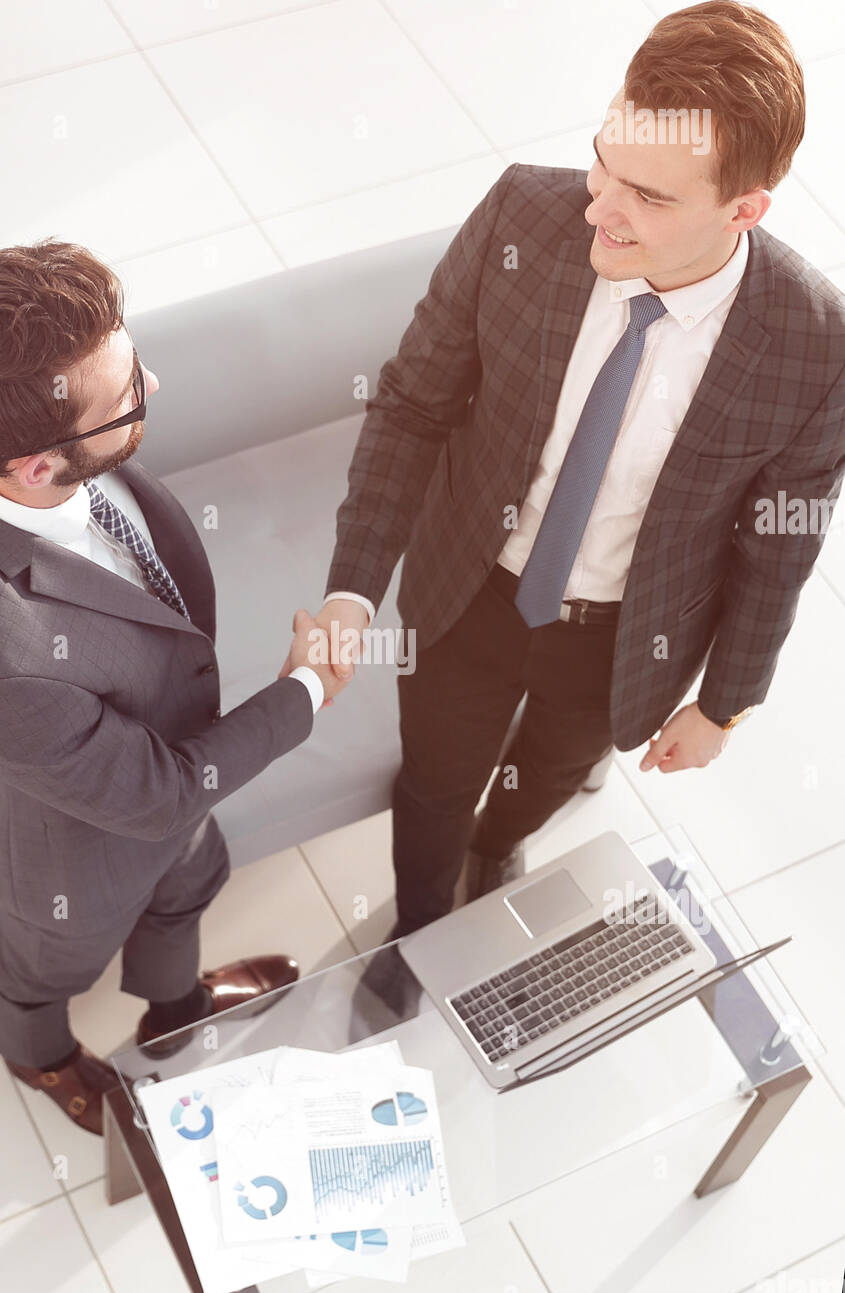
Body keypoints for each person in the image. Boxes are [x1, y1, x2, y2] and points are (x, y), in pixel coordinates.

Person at [282, 1, 844, 987]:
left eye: (646, 197)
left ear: (743, 209)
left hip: (627, 631)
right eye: (601, 161)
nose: (597, 206)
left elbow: (777, 543)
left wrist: (724, 703)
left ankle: (499, 847)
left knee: (547, 769)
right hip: (469, 589)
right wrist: (350, 588)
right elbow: (411, 405)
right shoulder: (519, 216)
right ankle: (416, 928)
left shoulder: (814, 343)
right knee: (431, 783)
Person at [0, 242, 346, 1135]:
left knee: (191, 873)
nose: (157, 388)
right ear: (33, 468)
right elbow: (157, 794)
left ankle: (173, 1013)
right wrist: (309, 690)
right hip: (70, 852)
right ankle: (34, 1052)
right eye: (131, 393)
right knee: (51, 962)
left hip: (146, 764)